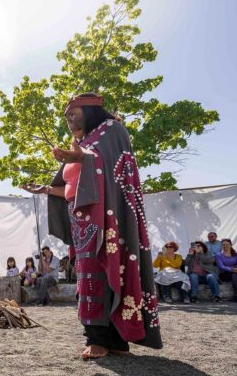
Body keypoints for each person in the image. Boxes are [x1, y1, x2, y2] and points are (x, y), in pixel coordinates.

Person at [23, 93, 162, 359]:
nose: (69, 121)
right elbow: (71, 188)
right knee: (89, 276)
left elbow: (109, 169)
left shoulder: (112, 130)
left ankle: (112, 340)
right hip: (81, 222)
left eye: (73, 115)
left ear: (90, 111)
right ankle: (100, 339)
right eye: (66, 117)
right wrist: (45, 189)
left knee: (108, 271)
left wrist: (80, 157)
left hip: (107, 219)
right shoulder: (83, 143)